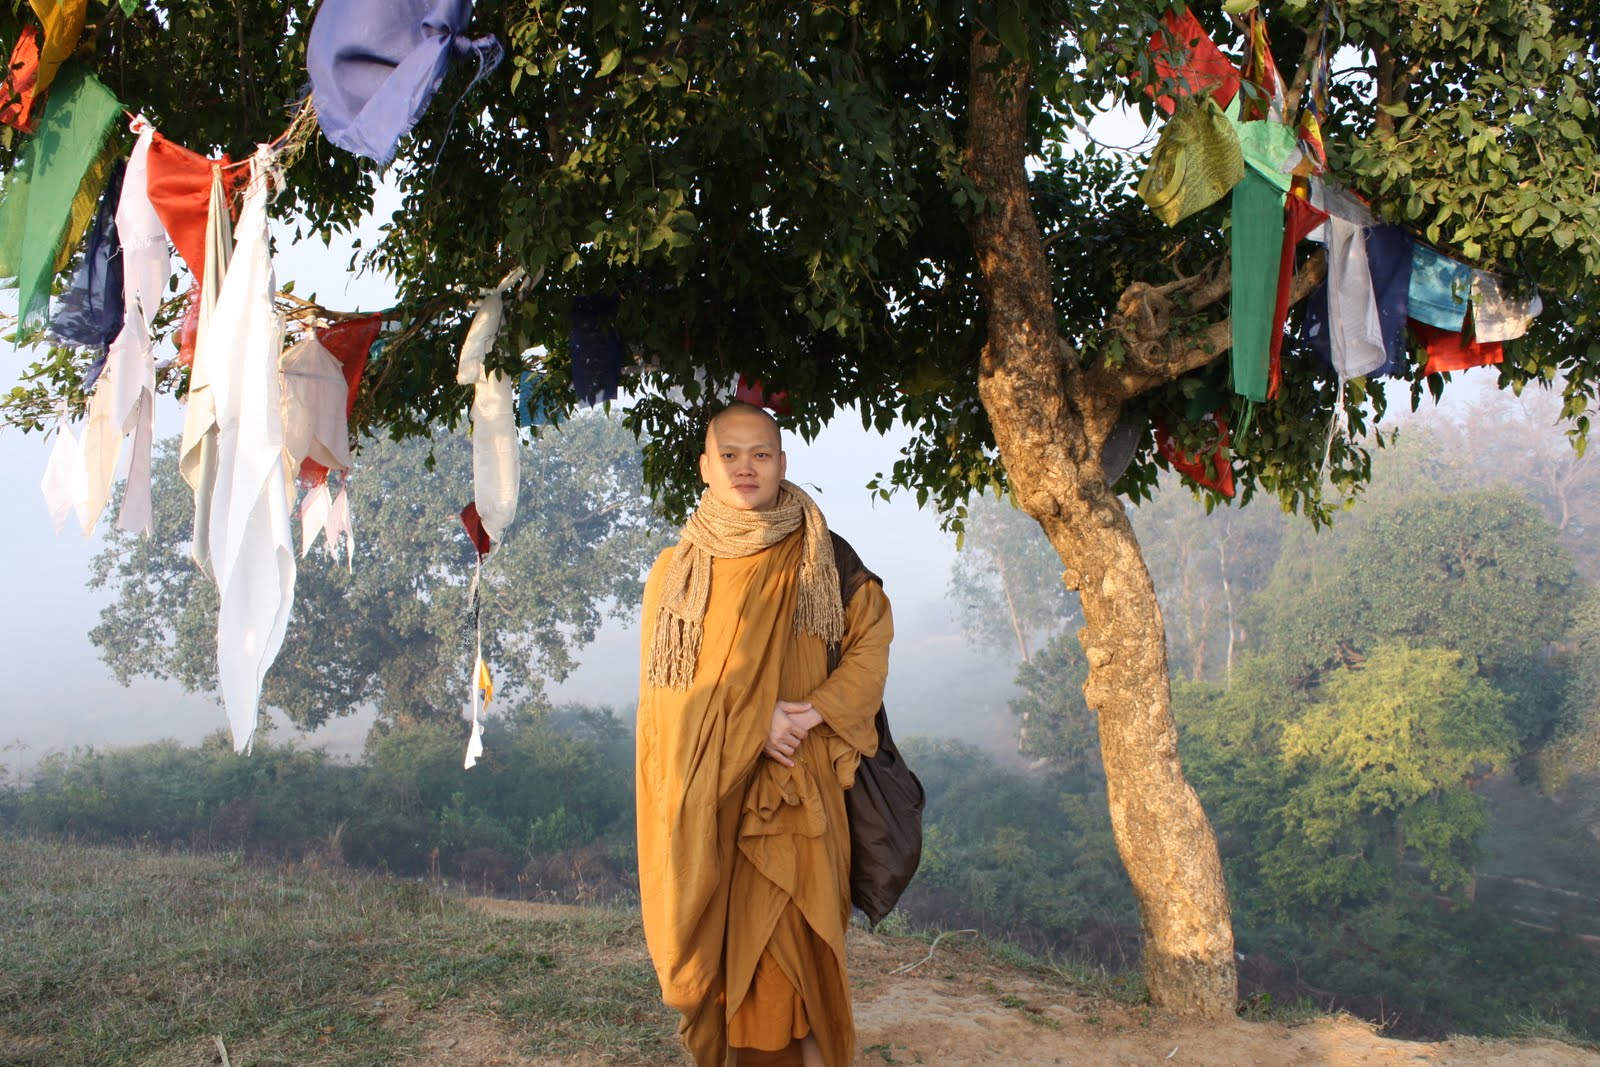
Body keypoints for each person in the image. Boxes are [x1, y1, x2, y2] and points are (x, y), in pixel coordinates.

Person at [636, 401, 893, 1067]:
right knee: (732, 977)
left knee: (801, 963)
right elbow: (666, 712)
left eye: (761, 454)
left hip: (802, 798)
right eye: (730, 454)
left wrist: (806, 713)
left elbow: (870, 640)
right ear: (705, 466)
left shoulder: (822, 556)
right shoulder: (676, 577)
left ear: (782, 462)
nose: (745, 467)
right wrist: (758, 722)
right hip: (717, 805)